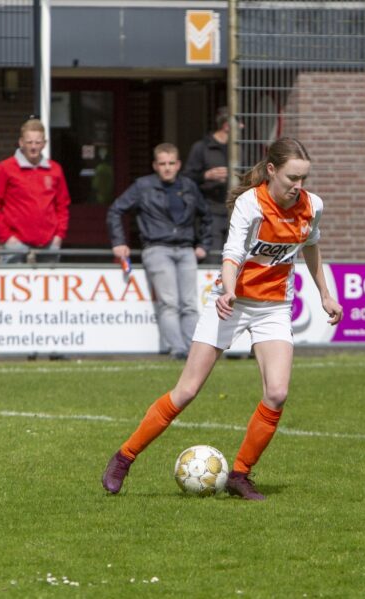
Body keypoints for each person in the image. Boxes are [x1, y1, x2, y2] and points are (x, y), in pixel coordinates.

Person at [101, 137, 343, 501]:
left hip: (274, 307)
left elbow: (311, 245)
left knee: (277, 393)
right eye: (293, 178)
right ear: (272, 170)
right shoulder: (251, 203)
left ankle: (240, 474)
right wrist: (228, 290)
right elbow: (231, 253)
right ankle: (125, 457)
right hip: (231, 303)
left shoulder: (312, 206)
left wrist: (325, 293)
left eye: (304, 178)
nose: (299, 186)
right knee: (186, 391)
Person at [107, 143, 212, 360]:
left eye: (171, 163)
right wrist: (119, 241)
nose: (167, 168)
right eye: (162, 164)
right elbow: (116, 210)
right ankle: (178, 350)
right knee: (170, 302)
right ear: (155, 165)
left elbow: (207, 216)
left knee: (190, 304)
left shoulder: (189, 186)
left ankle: (195, 352)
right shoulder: (143, 186)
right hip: (157, 248)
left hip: (185, 249)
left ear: (178, 164)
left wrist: (204, 245)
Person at [0, 119, 71, 263]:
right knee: (12, 285)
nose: (33, 147)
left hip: (49, 244)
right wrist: (6, 237)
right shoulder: (5, 168)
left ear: (44, 144)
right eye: (29, 142)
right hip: (16, 245)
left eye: (37, 142)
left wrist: (59, 236)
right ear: (21, 143)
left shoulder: (55, 169)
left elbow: (62, 205)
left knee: (49, 286)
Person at [183, 106, 235, 261]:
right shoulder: (202, 148)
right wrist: (206, 175)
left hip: (238, 210)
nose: (242, 127)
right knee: (214, 257)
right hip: (212, 211)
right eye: (239, 123)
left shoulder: (242, 146)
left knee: (235, 258)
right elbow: (187, 178)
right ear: (226, 125)